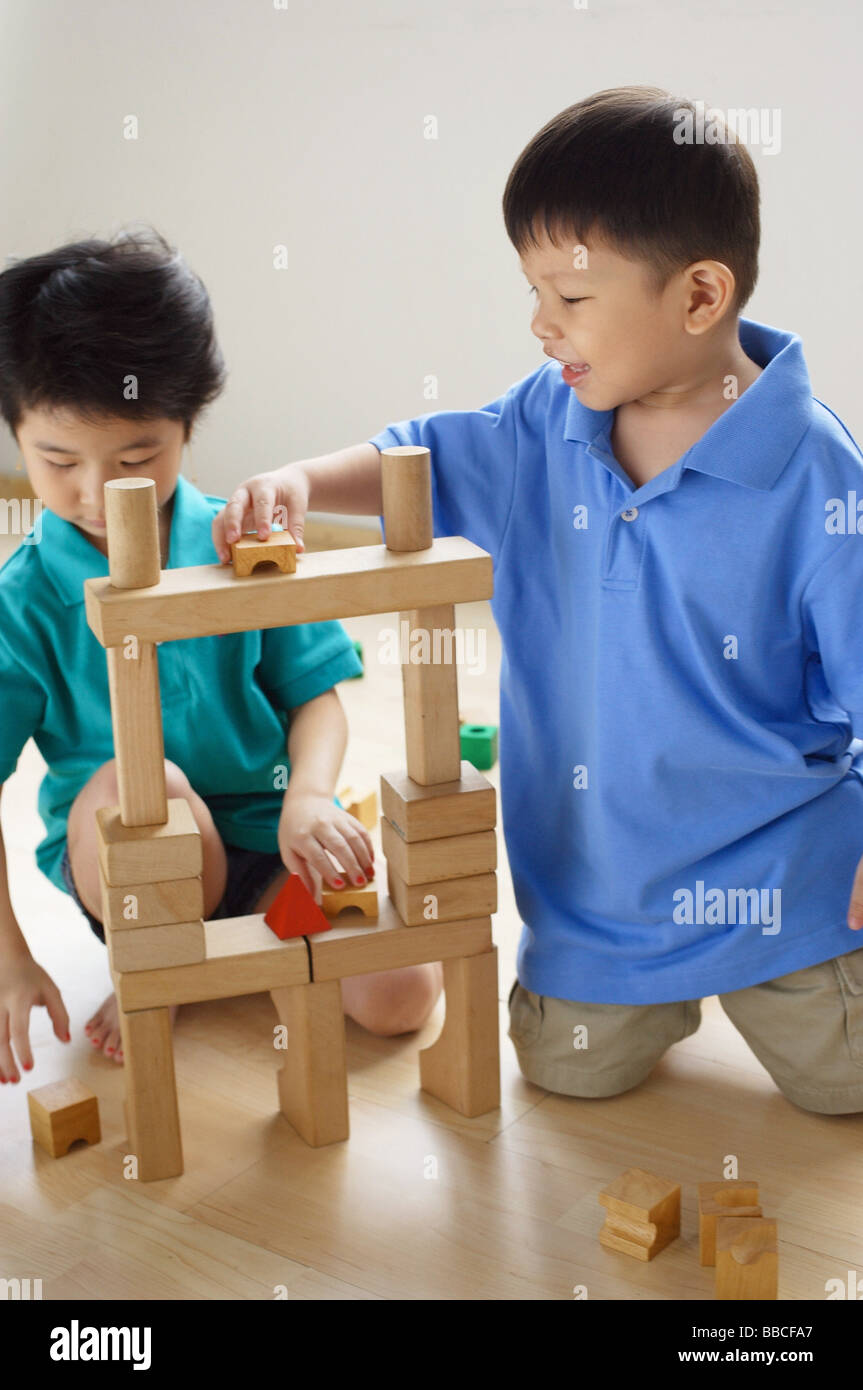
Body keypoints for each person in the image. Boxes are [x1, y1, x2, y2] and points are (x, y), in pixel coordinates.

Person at [212, 86, 863, 1115]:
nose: (538, 325)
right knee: (565, 1074)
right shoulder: (543, 423)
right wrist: (299, 486)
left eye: (567, 298)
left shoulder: (816, 474)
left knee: (846, 1086)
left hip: (781, 873)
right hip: (597, 899)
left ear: (698, 298)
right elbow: (416, 458)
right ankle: (636, 989)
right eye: (532, 294)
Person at [0, 229, 443, 1083]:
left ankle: (228, 946)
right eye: (58, 461)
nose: (99, 493)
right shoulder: (23, 600)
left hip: (267, 838)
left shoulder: (239, 541)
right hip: (127, 862)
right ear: (17, 434)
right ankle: (168, 960)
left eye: (139, 457)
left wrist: (308, 797)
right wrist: (11, 960)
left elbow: (315, 690)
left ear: (188, 427)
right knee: (154, 785)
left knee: (400, 999)